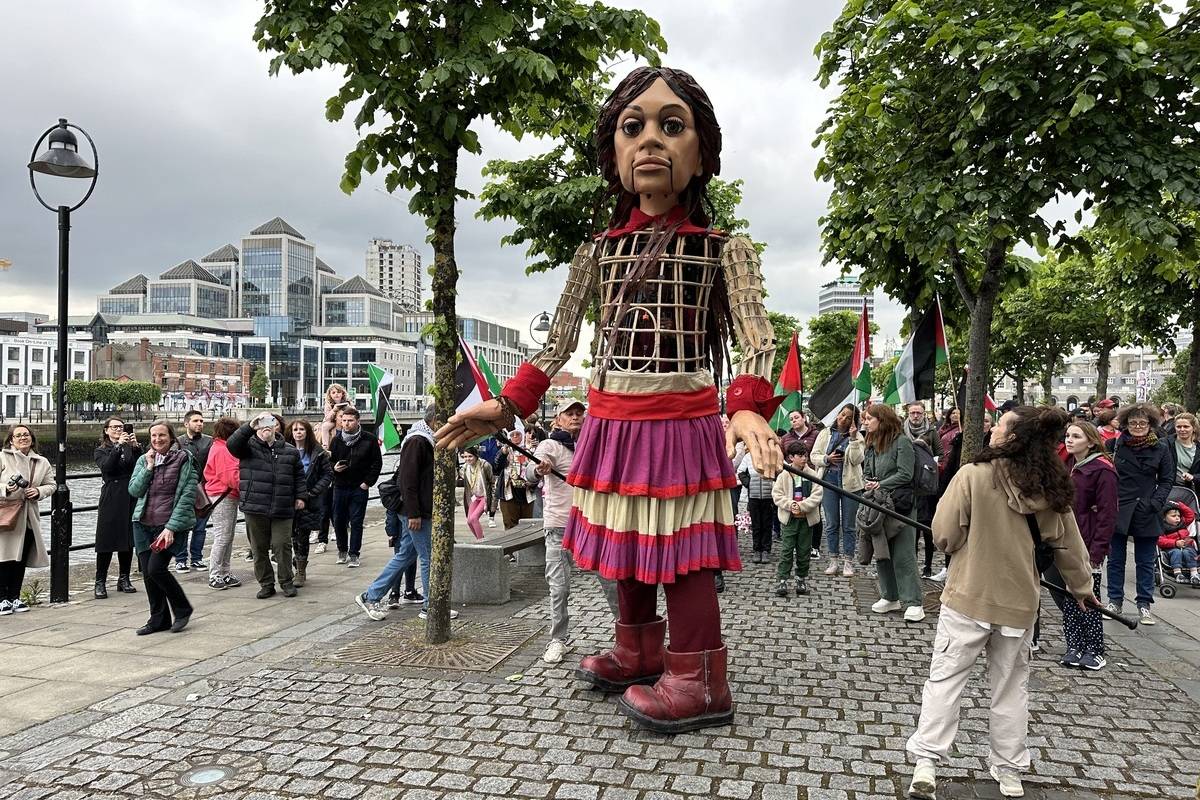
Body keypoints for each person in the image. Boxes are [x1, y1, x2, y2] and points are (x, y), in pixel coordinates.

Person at [437, 66, 781, 734]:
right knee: (624, 544)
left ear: (701, 153)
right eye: (634, 126)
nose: (651, 139)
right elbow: (554, 346)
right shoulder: (595, 253)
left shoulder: (723, 251)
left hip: (682, 423)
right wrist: (505, 405)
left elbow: (755, 338)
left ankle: (701, 677)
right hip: (612, 423)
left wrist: (743, 405)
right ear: (615, 155)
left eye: (671, 125)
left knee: (683, 556)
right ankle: (639, 648)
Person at [908, 406, 1095, 799]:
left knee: (945, 681)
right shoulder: (1052, 486)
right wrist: (1082, 588)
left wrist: (963, 543)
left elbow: (943, 535)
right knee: (1011, 689)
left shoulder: (972, 476)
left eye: (1002, 426)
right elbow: (1069, 545)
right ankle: (1009, 770)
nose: (992, 430)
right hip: (1019, 602)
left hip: (968, 597)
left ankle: (926, 761)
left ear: (1014, 437)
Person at [537, 399, 619, 663]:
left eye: (578, 413)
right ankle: (559, 639)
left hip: (591, 524)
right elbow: (533, 468)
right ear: (558, 419)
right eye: (568, 414)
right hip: (559, 526)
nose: (575, 417)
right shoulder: (550, 445)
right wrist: (540, 468)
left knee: (611, 583)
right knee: (559, 588)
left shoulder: (593, 446)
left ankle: (627, 633)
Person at [355, 404, 455, 622]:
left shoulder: (423, 440)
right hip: (416, 511)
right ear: (435, 421)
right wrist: (414, 514)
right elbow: (408, 481)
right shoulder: (418, 441)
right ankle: (431, 606)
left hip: (417, 509)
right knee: (428, 556)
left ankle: (371, 595)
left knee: (406, 555)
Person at [1104, 403, 1174, 627]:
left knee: (1145, 561)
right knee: (1115, 559)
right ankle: (1115, 601)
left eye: (1143, 423)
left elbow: (1166, 479)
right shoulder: (1113, 445)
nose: (1138, 426)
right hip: (1119, 507)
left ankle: (1145, 604)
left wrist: (1155, 503)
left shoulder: (1161, 447)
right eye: (1133, 422)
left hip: (1146, 508)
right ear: (1125, 424)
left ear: (1151, 425)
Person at [126, 420, 197, 634]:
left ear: (172, 437)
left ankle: (182, 608)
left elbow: (187, 495)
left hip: (167, 525)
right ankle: (159, 618)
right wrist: (148, 467)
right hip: (143, 524)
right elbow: (134, 490)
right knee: (148, 574)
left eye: (162, 436)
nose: (157, 440)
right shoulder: (143, 460)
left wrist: (172, 527)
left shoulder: (184, 459)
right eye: (153, 436)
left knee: (156, 569)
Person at [226, 413, 307, 599]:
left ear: (276, 428)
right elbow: (232, 444)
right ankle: (266, 583)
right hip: (255, 506)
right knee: (259, 548)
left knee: (282, 545)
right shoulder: (247, 448)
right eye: (261, 426)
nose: (266, 429)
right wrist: (249, 426)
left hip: (283, 506)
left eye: (270, 425)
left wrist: (301, 496)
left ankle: (286, 581)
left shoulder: (290, 451)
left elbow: (299, 476)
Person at [1057, 420, 1117, 670]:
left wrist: (1098, 549)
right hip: (1067, 539)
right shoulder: (1069, 464)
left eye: (1076, 437)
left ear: (1090, 442)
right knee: (1069, 596)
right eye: (1068, 436)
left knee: (1088, 595)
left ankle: (1095, 649)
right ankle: (1074, 645)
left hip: (1089, 541)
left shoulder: (1103, 470)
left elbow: (1107, 513)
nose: (1069, 440)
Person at [862, 403, 924, 622]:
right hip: (878, 505)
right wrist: (870, 483)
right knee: (882, 552)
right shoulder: (870, 444)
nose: (865, 422)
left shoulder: (902, 442)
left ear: (882, 419)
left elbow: (905, 474)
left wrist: (880, 484)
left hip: (901, 505)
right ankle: (890, 596)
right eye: (865, 418)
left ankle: (914, 602)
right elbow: (868, 472)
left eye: (869, 418)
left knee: (903, 553)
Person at [0, 426, 52, 614]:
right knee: (4, 557)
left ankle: (15, 597)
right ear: (11, 440)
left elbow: (51, 485)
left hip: (28, 515)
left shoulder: (41, 462)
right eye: (18, 435)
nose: (23, 438)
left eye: (26, 435)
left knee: (20, 558)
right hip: (6, 514)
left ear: (32, 438)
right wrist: (6, 488)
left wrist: (38, 492)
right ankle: (2, 598)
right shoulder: (3, 457)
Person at [811, 403, 864, 578]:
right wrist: (827, 459)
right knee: (832, 523)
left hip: (851, 484)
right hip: (829, 481)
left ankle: (848, 561)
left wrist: (854, 439)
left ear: (853, 421)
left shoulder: (858, 437)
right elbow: (814, 455)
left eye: (848, 417)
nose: (843, 419)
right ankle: (833, 559)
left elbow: (857, 460)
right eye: (842, 415)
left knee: (849, 525)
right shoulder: (826, 433)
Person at [93, 417, 142, 598]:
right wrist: (117, 447)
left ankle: (124, 578)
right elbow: (107, 467)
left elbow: (139, 466)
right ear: (106, 430)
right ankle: (100, 581)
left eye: (120, 427)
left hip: (129, 494)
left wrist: (136, 448)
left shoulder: (129, 447)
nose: (118, 430)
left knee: (127, 539)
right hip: (111, 495)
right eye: (114, 427)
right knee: (106, 540)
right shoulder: (101, 450)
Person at [329, 406, 382, 568]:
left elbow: (376, 464)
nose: (346, 424)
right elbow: (329, 462)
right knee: (338, 520)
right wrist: (334, 468)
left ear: (358, 421)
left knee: (356, 521)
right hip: (340, 485)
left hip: (359, 487)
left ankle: (354, 554)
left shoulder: (369, 439)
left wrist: (367, 483)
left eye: (350, 421)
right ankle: (342, 550)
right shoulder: (337, 440)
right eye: (343, 420)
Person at [771, 442, 822, 597]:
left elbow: (817, 494)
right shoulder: (783, 475)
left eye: (805, 455)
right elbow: (777, 495)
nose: (804, 458)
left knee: (804, 551)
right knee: (786, 550)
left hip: (806, 520)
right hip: (790, 520)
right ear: (791, 457)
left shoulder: (812, 474)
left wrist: (803, 506)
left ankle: (801, 578)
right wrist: (790, 504)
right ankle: (783, 580)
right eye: (800, 456)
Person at [288, 419, 332, 588]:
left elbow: (327, 475)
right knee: (291, 535)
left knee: (303, 534)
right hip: (288, 499)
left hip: (308, 499)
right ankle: (296, 562)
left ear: (307, 432)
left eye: (301, 429)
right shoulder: (286, 450)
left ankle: (300, 570)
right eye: (295, 429)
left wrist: (312, 493)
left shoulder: (317, 452)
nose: (298, 432)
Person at [904, 402, 945, 578]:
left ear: (924, 414)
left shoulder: (931, 431)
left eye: (918, 413)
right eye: (912, 412)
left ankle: (928, 565)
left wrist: (932, 464)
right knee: (909, 526)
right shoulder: (901, 429)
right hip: (907, 483)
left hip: (926, 484)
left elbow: (940, 453)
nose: (915, 416)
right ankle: (910, 563)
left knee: (926, 525)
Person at [202, 417, 243, 590]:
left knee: (227, 535)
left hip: (222, 494)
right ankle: (215, 573)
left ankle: (224, 572)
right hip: (223, 495)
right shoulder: (223, 450)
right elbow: (230, 477)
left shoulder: (218, 447)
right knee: (223, 536)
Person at [173, 410, 213, 573]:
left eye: (201, 421)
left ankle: (196, 558)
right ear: (186, 423)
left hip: (203, 490)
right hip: (182, 490)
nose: (199, 424)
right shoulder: (177, 442)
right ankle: (180, 559)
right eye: (196, 421)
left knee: (200, 527)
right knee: (182, 525)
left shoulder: (209, 442)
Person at [737, 453, 776, 563]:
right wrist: (748, 483)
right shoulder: (749, 456)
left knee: (767, 524)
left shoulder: (771, 453)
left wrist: (774, 482)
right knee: (756, 525)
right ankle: (757, 549)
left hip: (768, 496)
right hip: (753, 496)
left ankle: (766, 550)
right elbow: (741, 472)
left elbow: (780, 470)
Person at [495, 430, 535, 530]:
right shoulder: (505, 450)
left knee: (527, 525)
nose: (515, 437)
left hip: (527, 492)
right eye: (512, 435)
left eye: (518, 434)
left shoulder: (530, 450)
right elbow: (496, 467)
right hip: (509, 492)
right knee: (510, 525)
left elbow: (537, 469)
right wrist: (503, 453)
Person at [1159, 500, 1198, 584]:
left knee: (1190, 551)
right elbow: (1160, 541)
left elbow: (1190, 514)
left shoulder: (1183, 523)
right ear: (1164, 517)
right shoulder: (1162, 527)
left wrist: (1179, 505)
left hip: (1186, 547)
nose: (1177, 518)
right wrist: (1175, 543)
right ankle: (1178, 574)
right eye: (1173, 516)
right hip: (1171, 549)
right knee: (1176, 552)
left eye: (1179, 516)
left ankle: (1194, 574)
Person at [462, 447, 494, 540]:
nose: (467, 459)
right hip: (474, 497)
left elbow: (492, 482)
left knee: (474, 518)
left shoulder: (485, 465)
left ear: (476, 456)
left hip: (484, 496)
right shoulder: (465, 468)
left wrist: (492, 502)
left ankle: (481, 542)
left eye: (470, 456)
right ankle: (479, 539)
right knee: (469, 521)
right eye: (465, 457)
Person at [1169, 412, 1199, 494]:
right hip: (1168, 490)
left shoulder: (1198, 448)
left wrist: (1193, 477)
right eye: (1178, 427)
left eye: (1186, 426)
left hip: (1190, 493)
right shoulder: (1165, 444)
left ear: (1193, 428)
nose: (1182, 429)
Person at [937, 408, 960, 474]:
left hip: (953, 461)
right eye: (953, 413)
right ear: (949, 415)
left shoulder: (963, 428)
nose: (956, 415)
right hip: (942, 459)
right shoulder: (943, 428)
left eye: (958, 413)